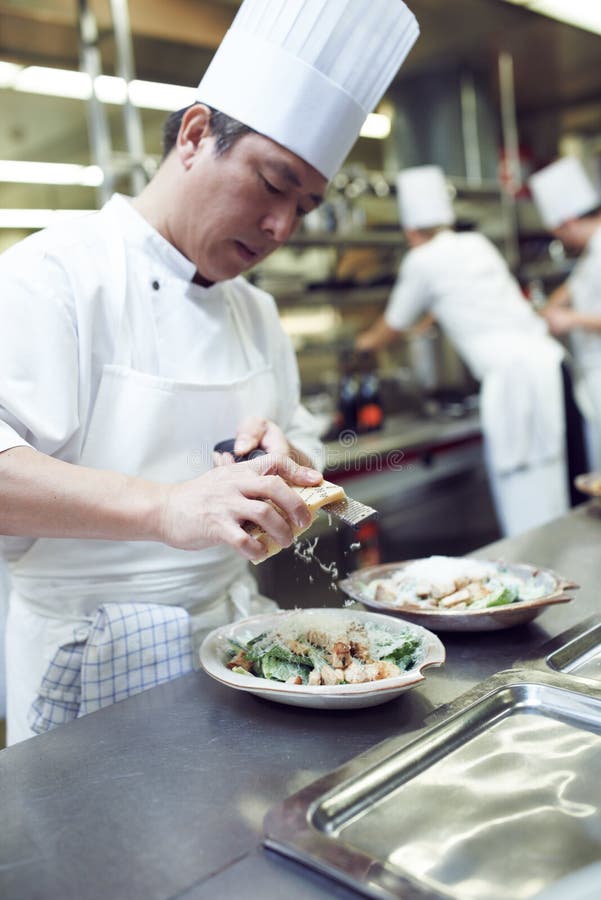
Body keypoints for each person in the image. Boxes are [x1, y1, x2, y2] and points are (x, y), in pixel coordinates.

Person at [0, 0, 419, 744]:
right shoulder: (53, 275)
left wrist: (288, 470)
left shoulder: (254, 312)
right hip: (86, 662)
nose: (281, 228)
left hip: (238, 648)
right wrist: (167, 509)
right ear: (196, 135)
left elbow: (301, 446)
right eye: (271, 183)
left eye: (305, 206)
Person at [357, 164, 572, 539]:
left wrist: (360, 346)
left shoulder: (421, 261)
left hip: (514, 379)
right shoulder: (475, 244)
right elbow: (462, 303)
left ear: (410, 231)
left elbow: (391, 326)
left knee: (524, 487)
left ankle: (536, 571)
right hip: (548, 366)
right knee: (550, 479)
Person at [529, 156, 601, 470]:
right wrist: (541, 312)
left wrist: (570, 320)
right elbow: (572, 289)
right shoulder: (591, 255)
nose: (560, 237)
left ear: (570, 220)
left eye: (559, 230)